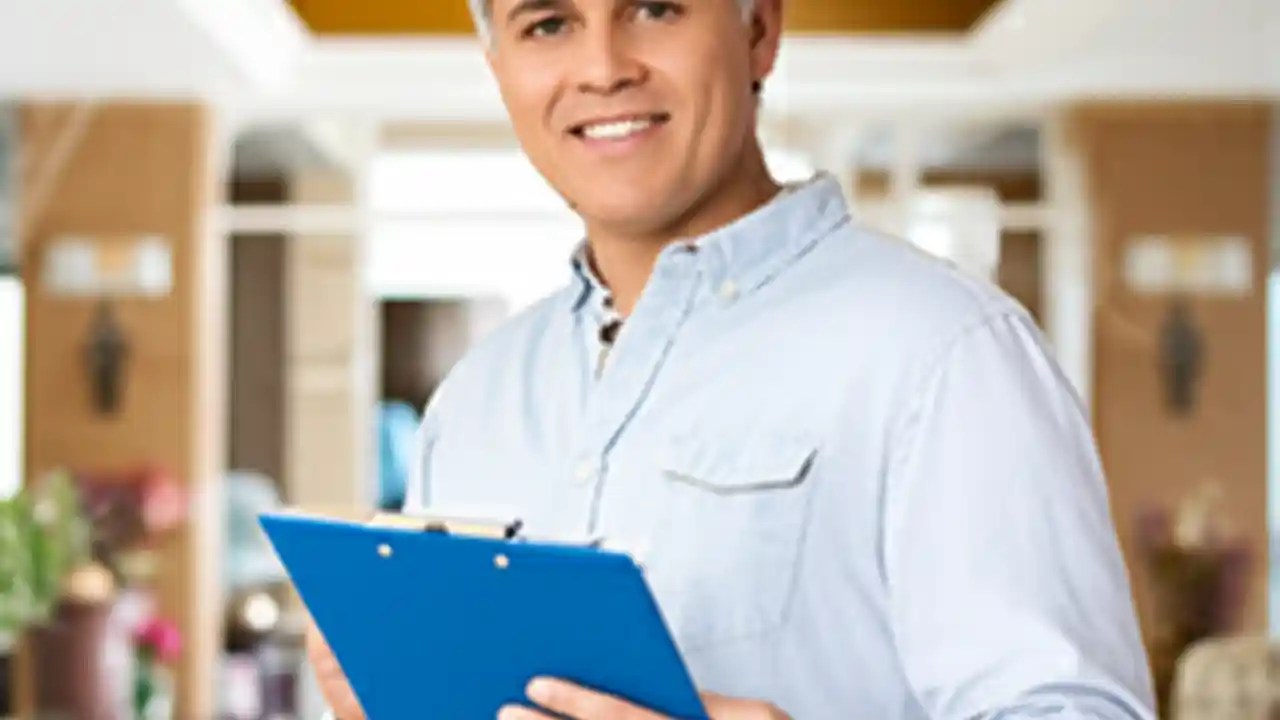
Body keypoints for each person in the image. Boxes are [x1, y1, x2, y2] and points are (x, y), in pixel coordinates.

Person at [308, 0, 1157, 717]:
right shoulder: (472, 402)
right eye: (549, 24)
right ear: (499, 67)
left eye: (655, 9)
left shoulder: (945, 351)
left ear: (760, 32)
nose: (603, 68)